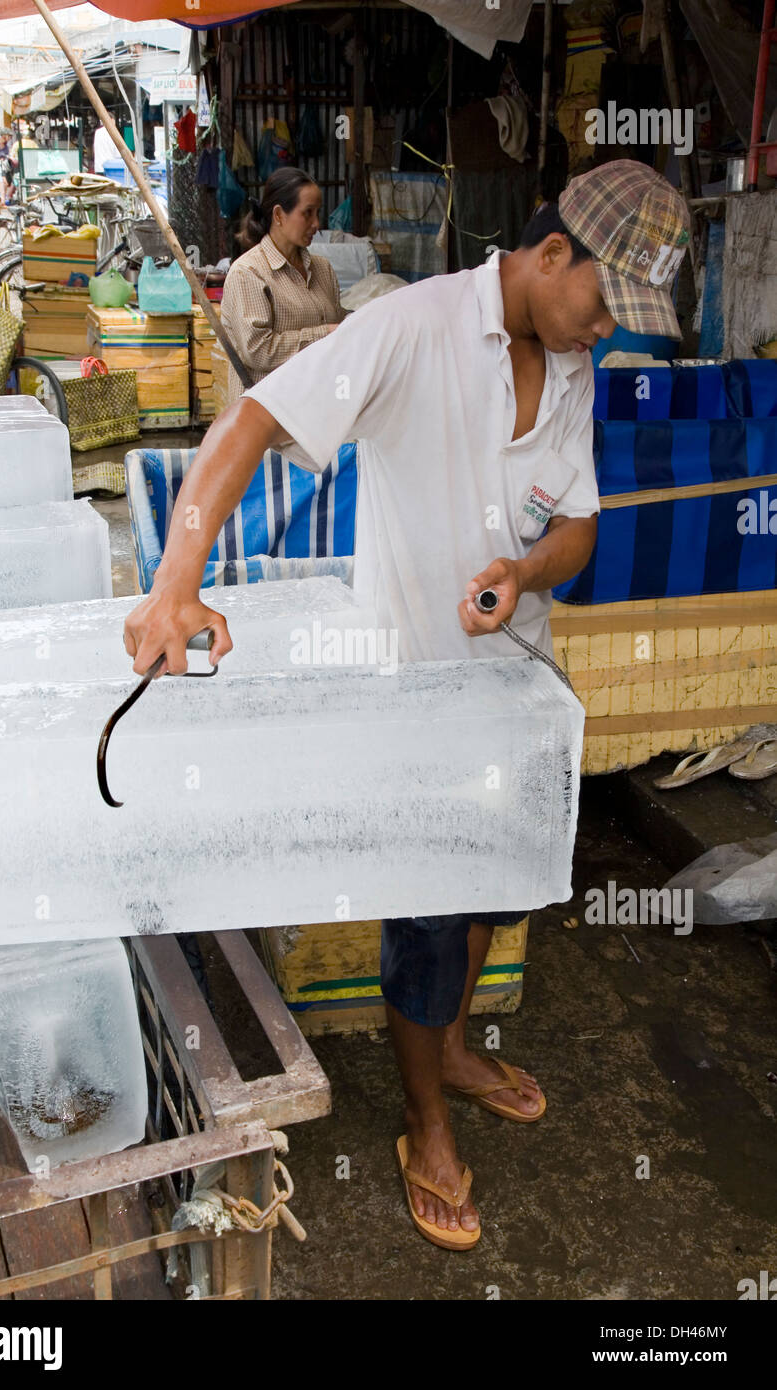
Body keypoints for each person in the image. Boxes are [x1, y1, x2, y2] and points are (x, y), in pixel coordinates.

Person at [123, 160, 689, 1250]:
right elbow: (249, 422)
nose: (606, 332)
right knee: (427, 925)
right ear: (552, 252)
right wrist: (175, 581)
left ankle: (459, 1048)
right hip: (419, 698)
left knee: (497, 894)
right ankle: (423, 1122)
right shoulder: (413, 328)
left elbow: (576, 526)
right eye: (604, 305)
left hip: (516, 689)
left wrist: (521, 575)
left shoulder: (569, 365)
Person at [221, 166, 343, 404]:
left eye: (318, 213)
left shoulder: (323, 269)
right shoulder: (248, 272)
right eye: (307, 213)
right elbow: (257, 350)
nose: (317, 223)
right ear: (278, 215)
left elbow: (338, 332)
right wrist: (324, 334)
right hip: (265, 418)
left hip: (313, 410)